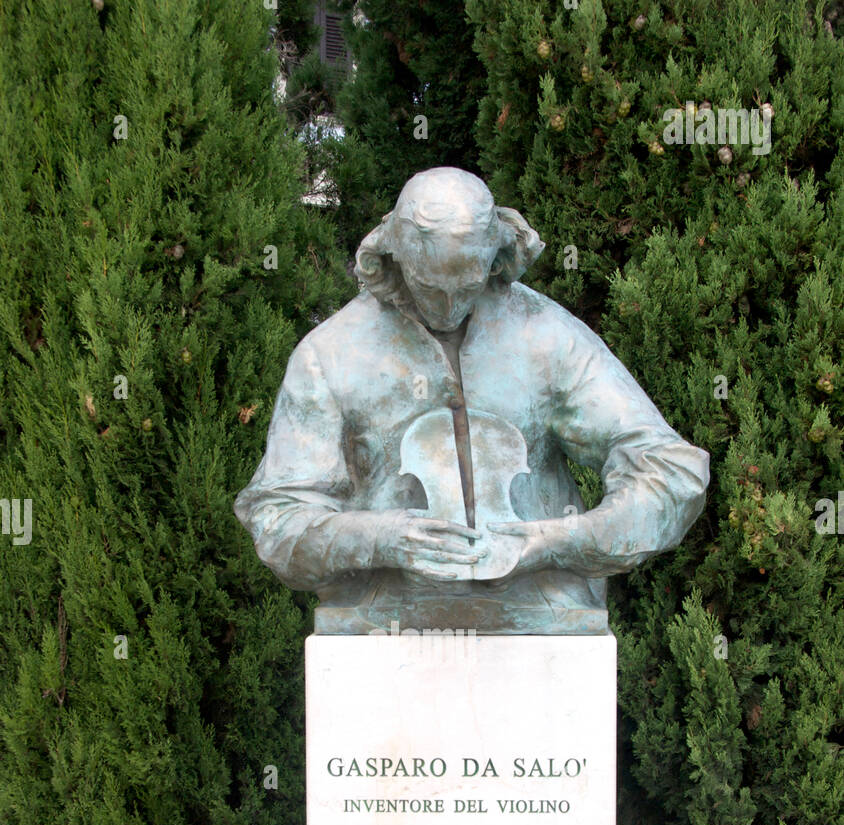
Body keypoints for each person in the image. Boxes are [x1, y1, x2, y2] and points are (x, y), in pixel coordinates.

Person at [235, 168, 709, 633]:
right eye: (429, 286)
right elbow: (278, 521)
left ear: (497, 257)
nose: (447, 306)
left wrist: (554, 542)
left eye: (467, 284)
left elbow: (672, 471)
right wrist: (380, 538)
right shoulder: (329, 353)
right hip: (385, 623)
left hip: (544, 615)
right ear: (392, 256)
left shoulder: (547, 334)